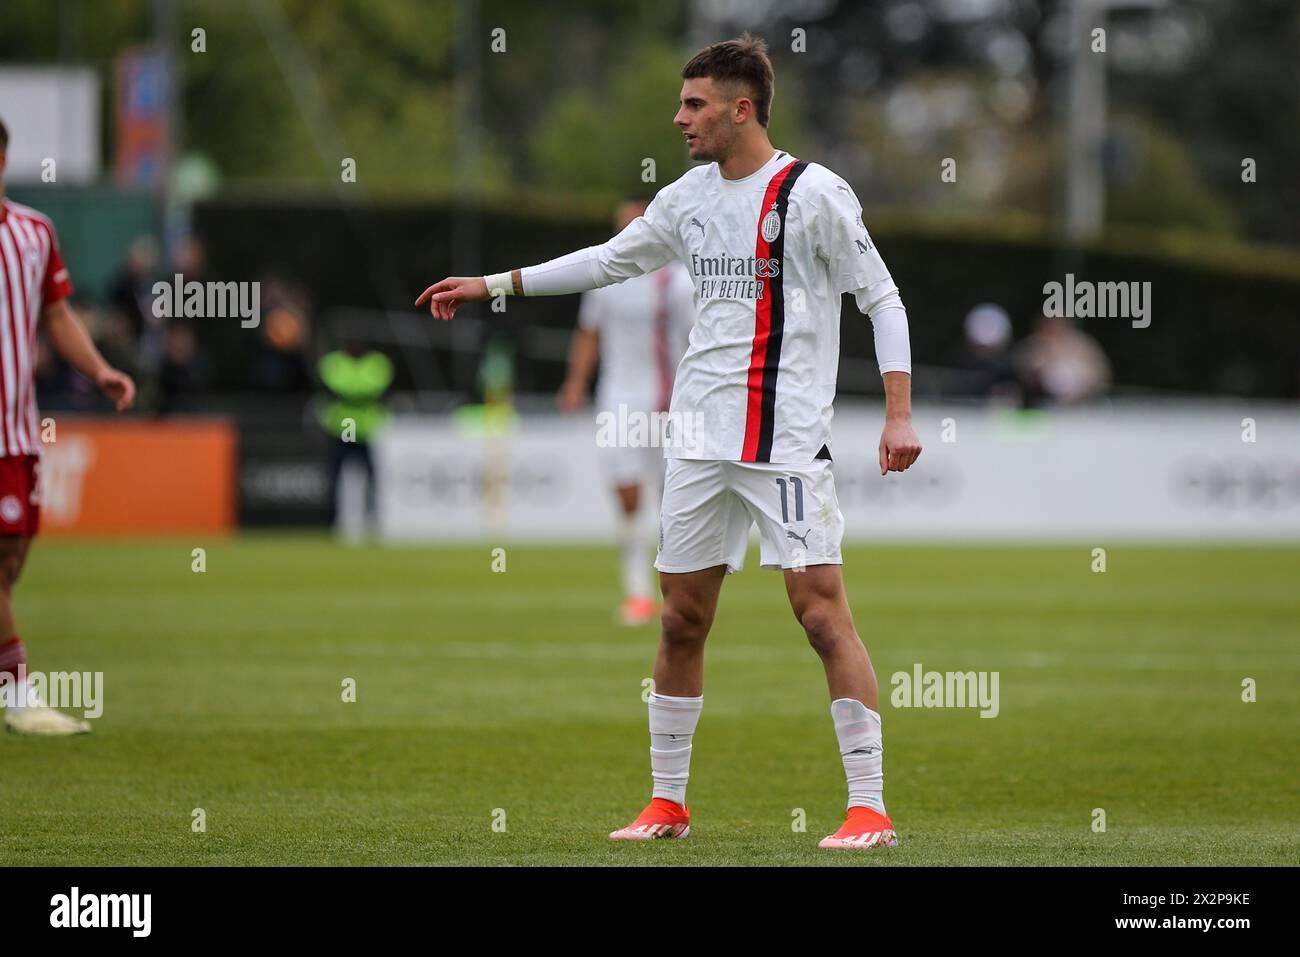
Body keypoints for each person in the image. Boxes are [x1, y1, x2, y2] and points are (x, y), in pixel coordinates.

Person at [417, 35, 922, 851]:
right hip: (696, 443)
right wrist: (494, 285)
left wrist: (898, 412)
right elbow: (608, 262)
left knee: (822, 615)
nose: (679, 118)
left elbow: (883, 298)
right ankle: (668, 802)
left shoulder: (815, 193)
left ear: (741, 109)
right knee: (682, 619)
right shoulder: (687, 197)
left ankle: (869, 807)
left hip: (784, 441)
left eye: (694, 105)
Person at [0, 116, 137, 734]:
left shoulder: (34, 233)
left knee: (9, 565)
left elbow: (56, 316)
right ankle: (18, 693)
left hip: (17, 431)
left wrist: (101, 369)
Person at [557, 198, 696, 626]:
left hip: (671, 398)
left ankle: (674, 590)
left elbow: (697, 337)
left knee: (672, 500)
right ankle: (636, 589)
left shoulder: (677, 280)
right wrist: (575, 383)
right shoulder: (604, 281)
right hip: (618, 398)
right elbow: (589, 334)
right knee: (626, 491)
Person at [318, 339, 393, 534]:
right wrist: (357, 393)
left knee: (370, 477)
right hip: (343, 427)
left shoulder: (376, 364)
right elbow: (351, 389)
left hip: (364, 429)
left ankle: (371, 519)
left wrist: (352, 393)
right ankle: (331, 521)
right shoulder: (335, 363)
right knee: (336, 476)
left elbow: (359, 389)